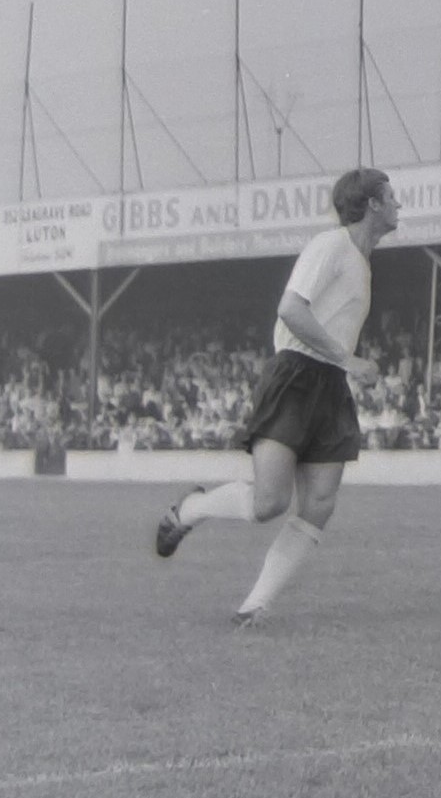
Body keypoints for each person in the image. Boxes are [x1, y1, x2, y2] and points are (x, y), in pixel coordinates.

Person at [152, 167, 398, 625]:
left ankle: (253, 607)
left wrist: (343, 366)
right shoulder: (331, 245)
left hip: (329, 387)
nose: (399, 205)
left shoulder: (362, 262)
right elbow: (290, 309)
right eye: (392, 196)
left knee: (320, 504)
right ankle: (190, 509)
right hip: (295, 376)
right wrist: (348, 359)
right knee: (269, 504)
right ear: (372, 205)